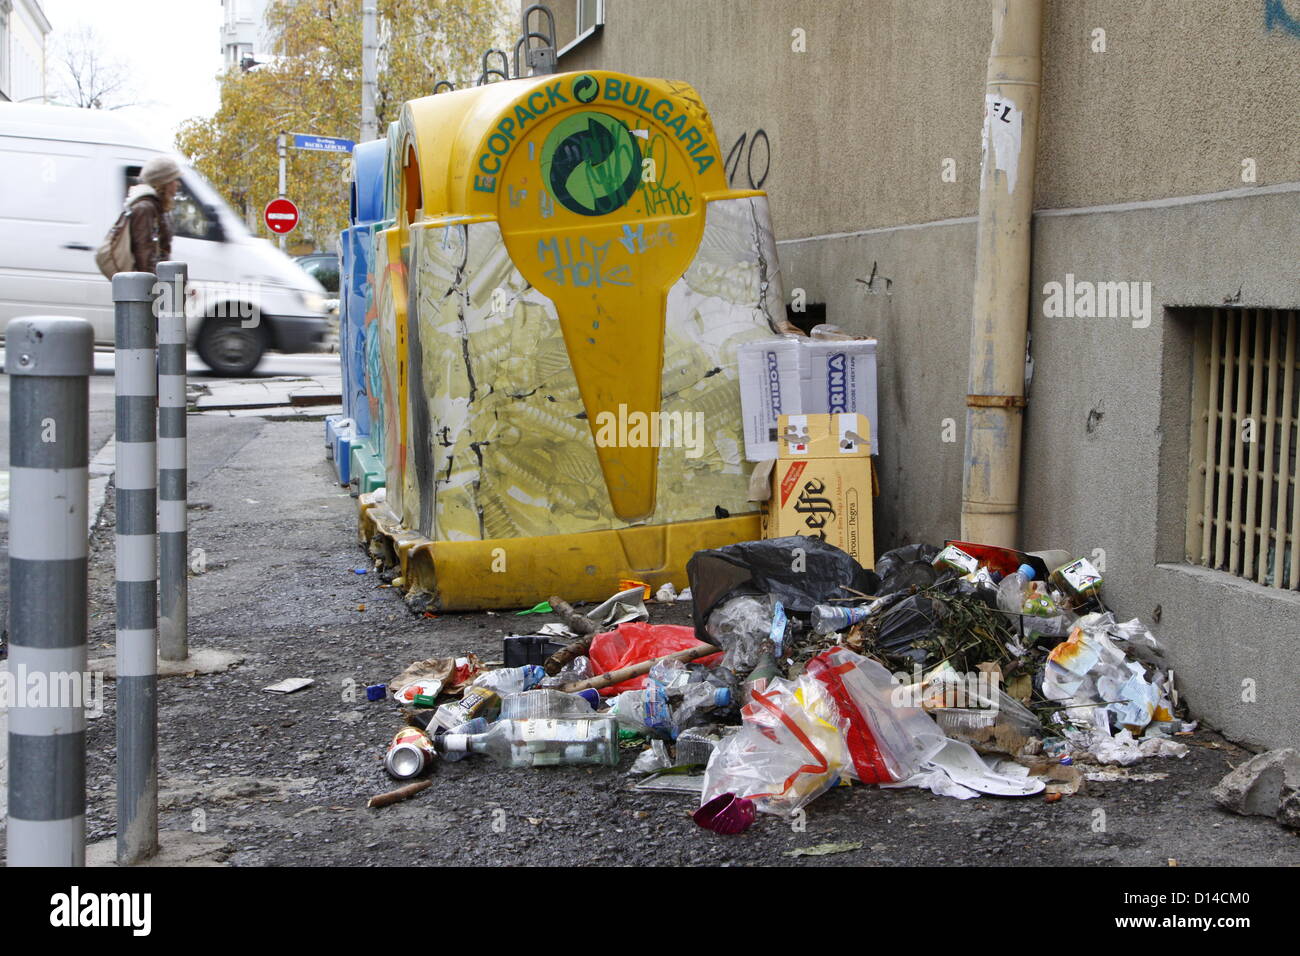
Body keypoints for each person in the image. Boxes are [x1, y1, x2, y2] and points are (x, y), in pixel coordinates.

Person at [125, 155, 182, 274]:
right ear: (164, 182)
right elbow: (145, 259)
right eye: (174, 179)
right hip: (150, 288)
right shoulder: (145, 209)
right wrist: (163, 289)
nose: (178, 184)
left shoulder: (156, 207)